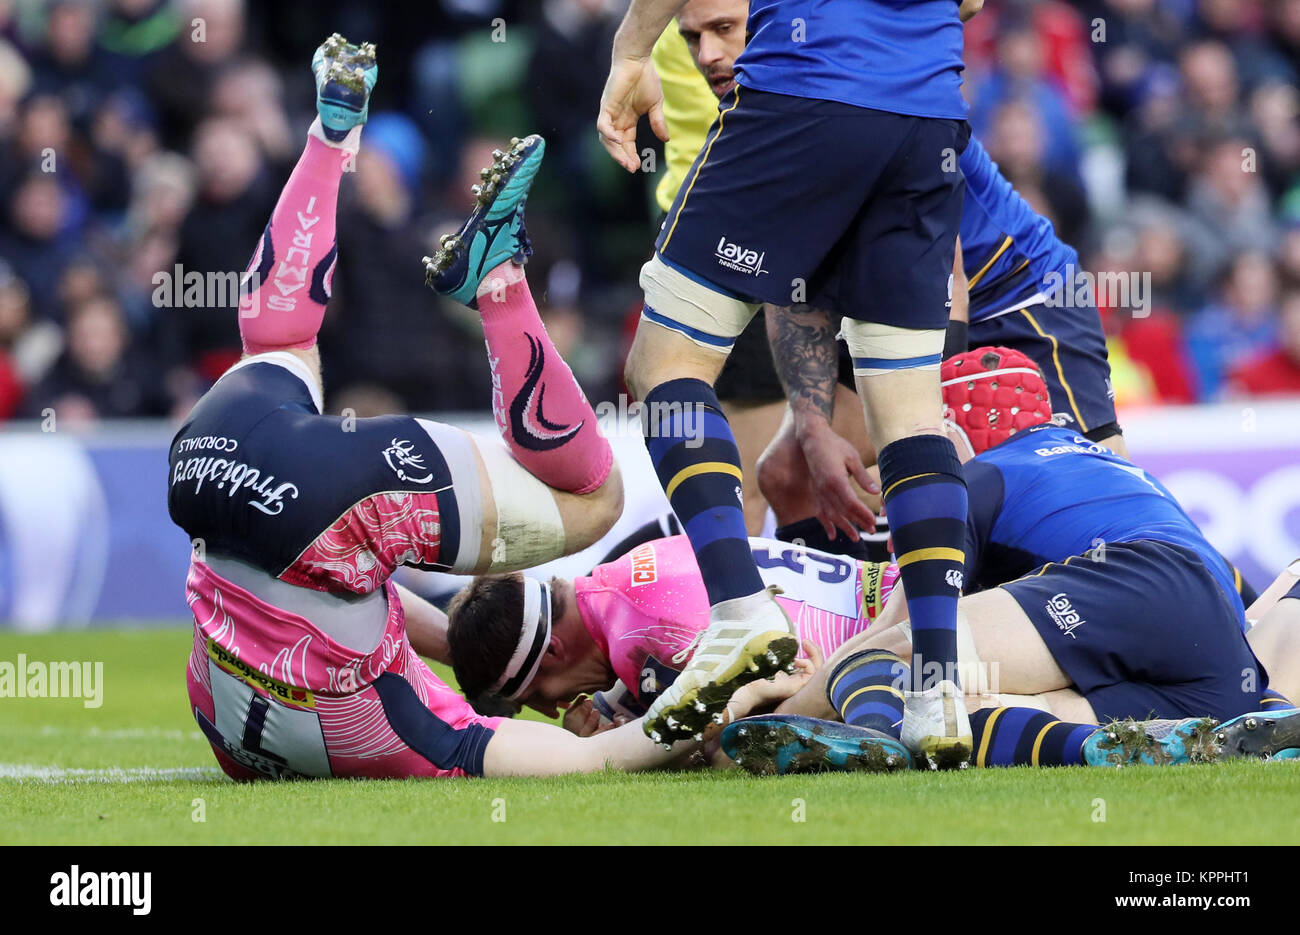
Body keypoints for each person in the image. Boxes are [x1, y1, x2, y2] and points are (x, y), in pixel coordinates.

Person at [168, 34, 738, 782]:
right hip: (210, 473)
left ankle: (493, 275)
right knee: (278, 341)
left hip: (303, 502)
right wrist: (688, 710)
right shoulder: (382, 718)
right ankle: (337, 138)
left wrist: (677, 715)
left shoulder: (399, 727)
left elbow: (592, 758)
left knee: (592, 500)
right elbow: (577, 752)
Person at [597, 0, 985, 764]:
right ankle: (936, 688)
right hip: (929, 119)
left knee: (664, 363)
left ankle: (742, 612)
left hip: (807, 91)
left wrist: (630, 51)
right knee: (909, 411)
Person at [722, 347, 1283, 772]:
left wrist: (786, 704)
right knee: (983, 703)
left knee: (908, 659)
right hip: (1219, 653)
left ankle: (878, 741)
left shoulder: (968, 479)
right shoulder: (1097, 462)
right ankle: (1173, 741)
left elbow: (905, 625)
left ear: (946, 433)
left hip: (1138, 583)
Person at [445, 535, 899, 723]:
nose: (556, 708)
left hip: (898, 644)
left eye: (535, 697)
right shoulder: (617, 582)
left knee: (726, 749)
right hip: (899, 593)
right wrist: (610, 716)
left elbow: (701, 729)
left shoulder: (635, 639)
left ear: (554, 652)